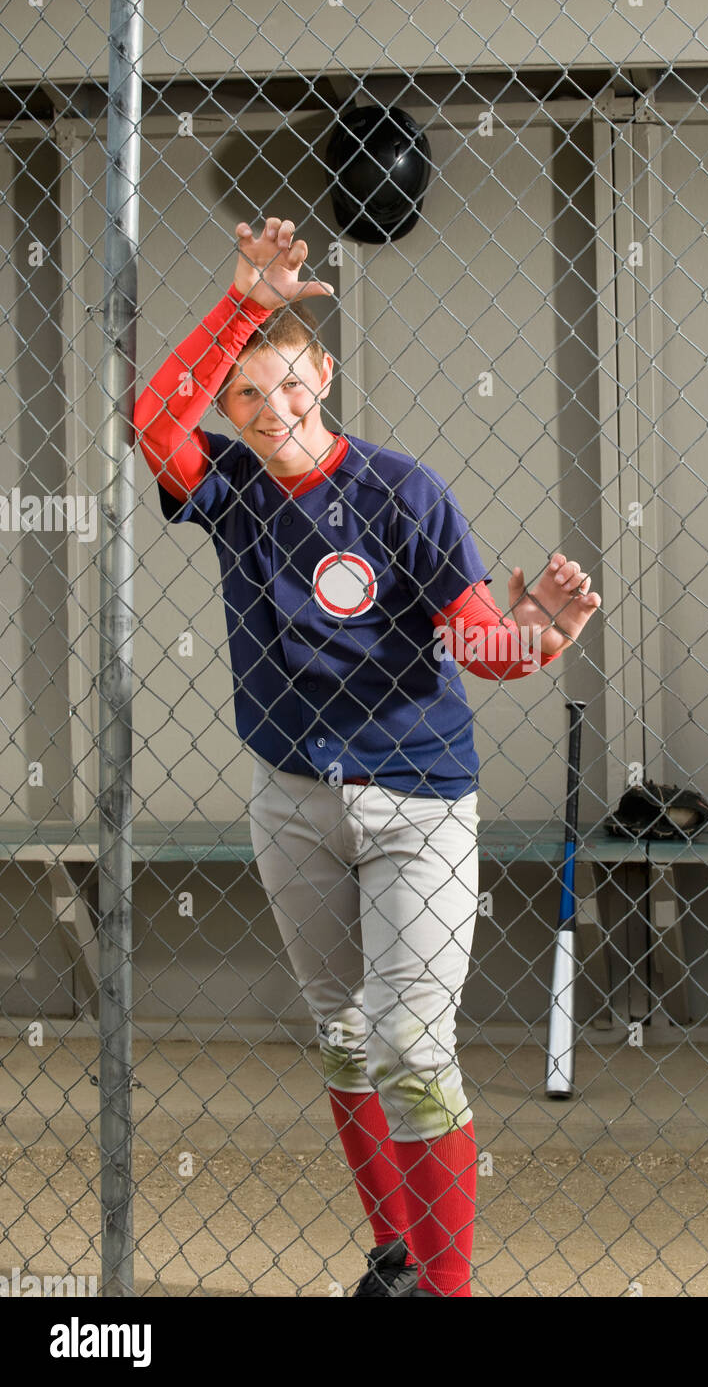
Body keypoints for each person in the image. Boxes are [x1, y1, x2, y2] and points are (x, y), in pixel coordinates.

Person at [134, 216, 602, 1298]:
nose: (274, 411)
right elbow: (152, 419)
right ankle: (394, 1254)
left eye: (290, 385)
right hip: (291, 799)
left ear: (326, 372)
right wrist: (244, 304)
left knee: (409, 1045)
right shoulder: (233, 491)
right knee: (343, 1036)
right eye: (247, 397)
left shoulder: (405, 491)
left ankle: (446, 1286)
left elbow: (480, 643)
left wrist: (535, 638)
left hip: (417, 803)